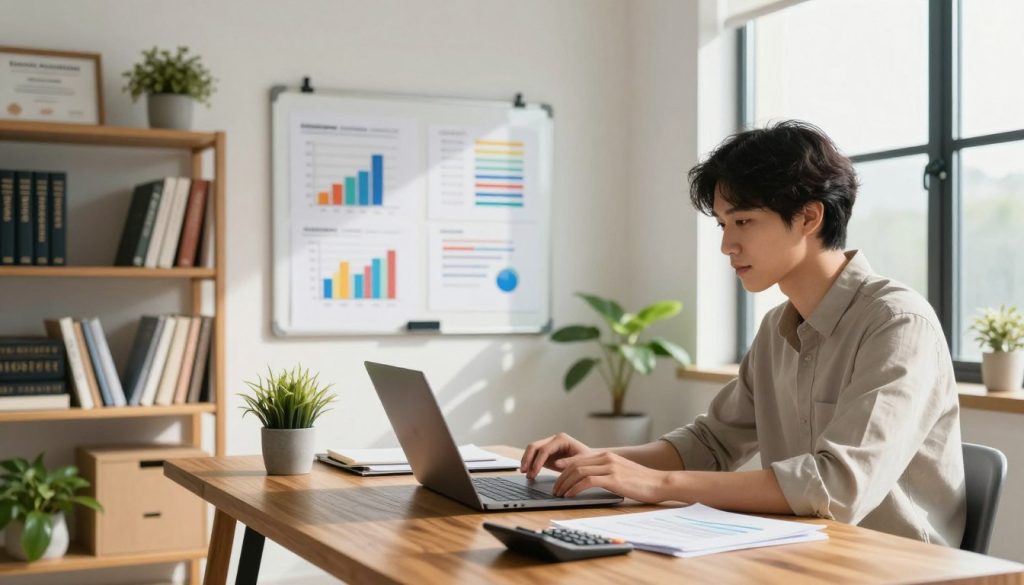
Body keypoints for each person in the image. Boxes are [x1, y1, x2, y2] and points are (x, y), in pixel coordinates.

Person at [520, 120, 966, 546]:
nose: (726, 245)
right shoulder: (777, 328)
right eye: (722, 224)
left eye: (743, 221)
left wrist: (659, 484)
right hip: (800, 553)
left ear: (809, 217)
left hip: (899, 566)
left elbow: (835, 486)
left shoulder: (897, 324)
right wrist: (599, 463)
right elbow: (711, 443)